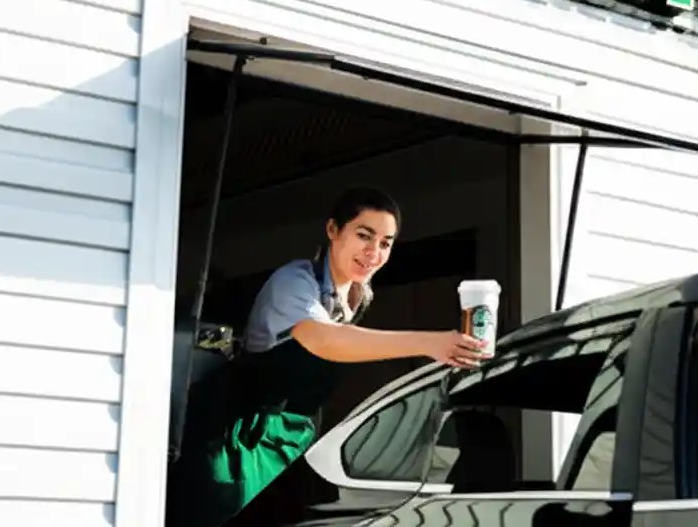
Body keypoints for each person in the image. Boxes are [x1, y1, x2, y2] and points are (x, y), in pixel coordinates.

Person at [166, 186, 487, 527]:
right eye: (364, 236)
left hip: (292, 439)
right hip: (240, 435)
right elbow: (320, 338)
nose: (373, 252)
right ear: (333, 230)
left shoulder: (359, 295)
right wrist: (429, 343)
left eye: (385, 243)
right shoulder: (293, 281)